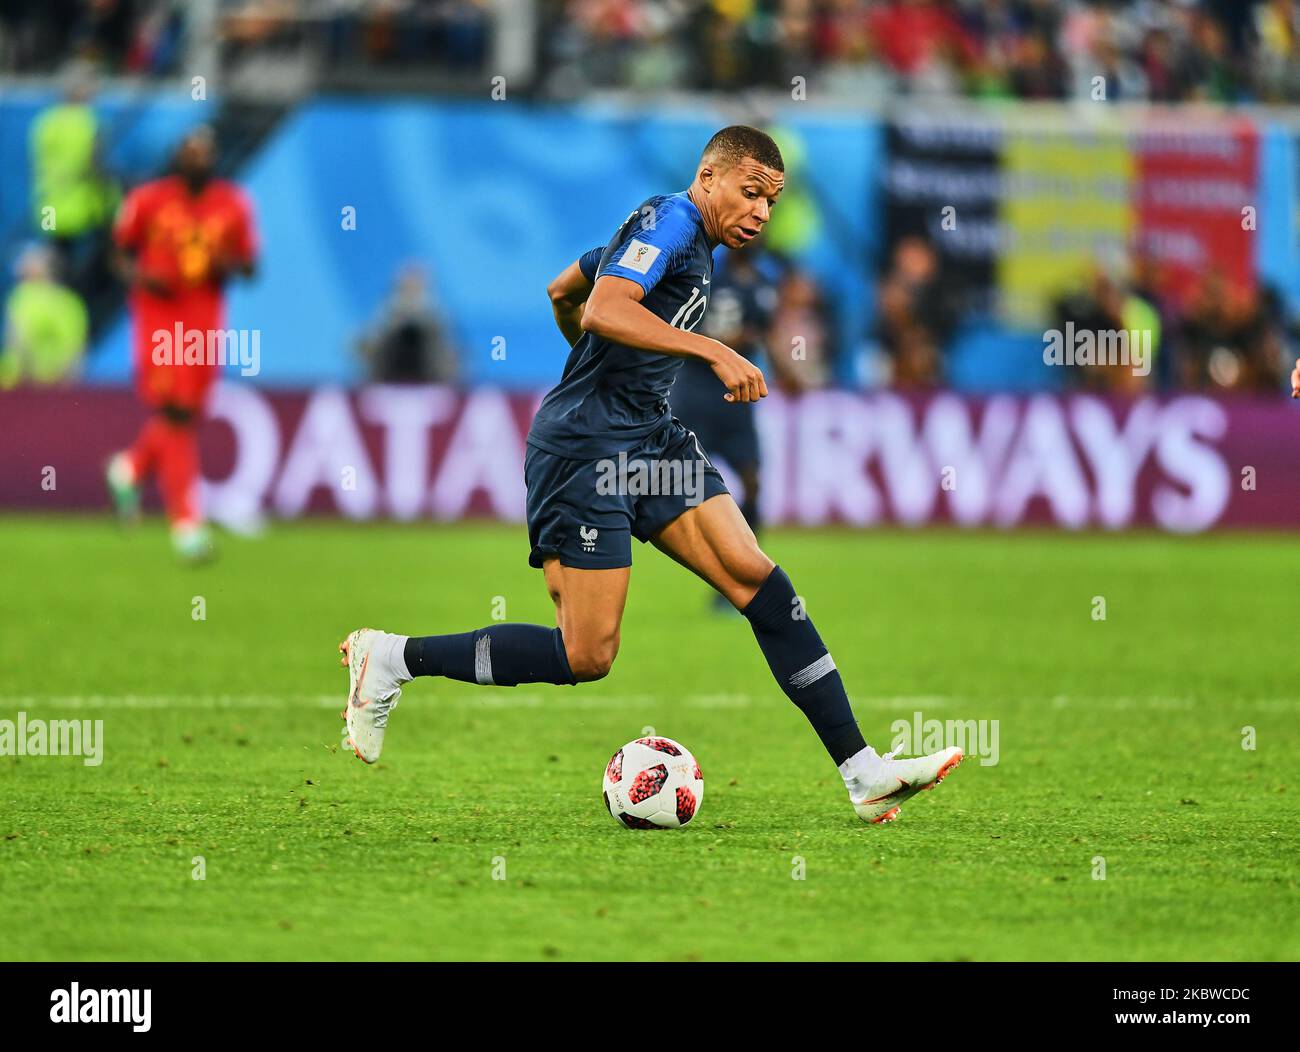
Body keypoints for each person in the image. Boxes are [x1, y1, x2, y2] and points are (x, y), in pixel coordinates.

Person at [335, 126, 961, 825]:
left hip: (649, 440)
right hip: (586, 453)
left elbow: (566, 289)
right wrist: (709, 351)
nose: (759, 211)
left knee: (758, 581)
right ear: (708, 177)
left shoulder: (684, 245)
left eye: (772, 202)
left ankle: (864, 774)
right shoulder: (670, 220)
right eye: (750, 192)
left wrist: (595, 360)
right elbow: (604, 306)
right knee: (587, 653)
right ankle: (390, 659)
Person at [104, 125, 259, 560]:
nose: (197, 159)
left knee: (186, 415)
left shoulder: (232, 203)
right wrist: (140, 276)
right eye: (190, 152)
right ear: (178, 158)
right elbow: (118, 253)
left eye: (205, 153)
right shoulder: (148, 199)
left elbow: (250, 268)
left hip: (204, 320)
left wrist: (227, 264)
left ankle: (129, 467)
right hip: (159, 318)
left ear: (213, 159)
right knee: (174, 413)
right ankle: (186, 523)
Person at [0, 244, 88, 389]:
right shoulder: (71, 302)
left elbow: (16, 342)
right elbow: (77, 352)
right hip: (54, 381)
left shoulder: (22, 297)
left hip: (22, 379)